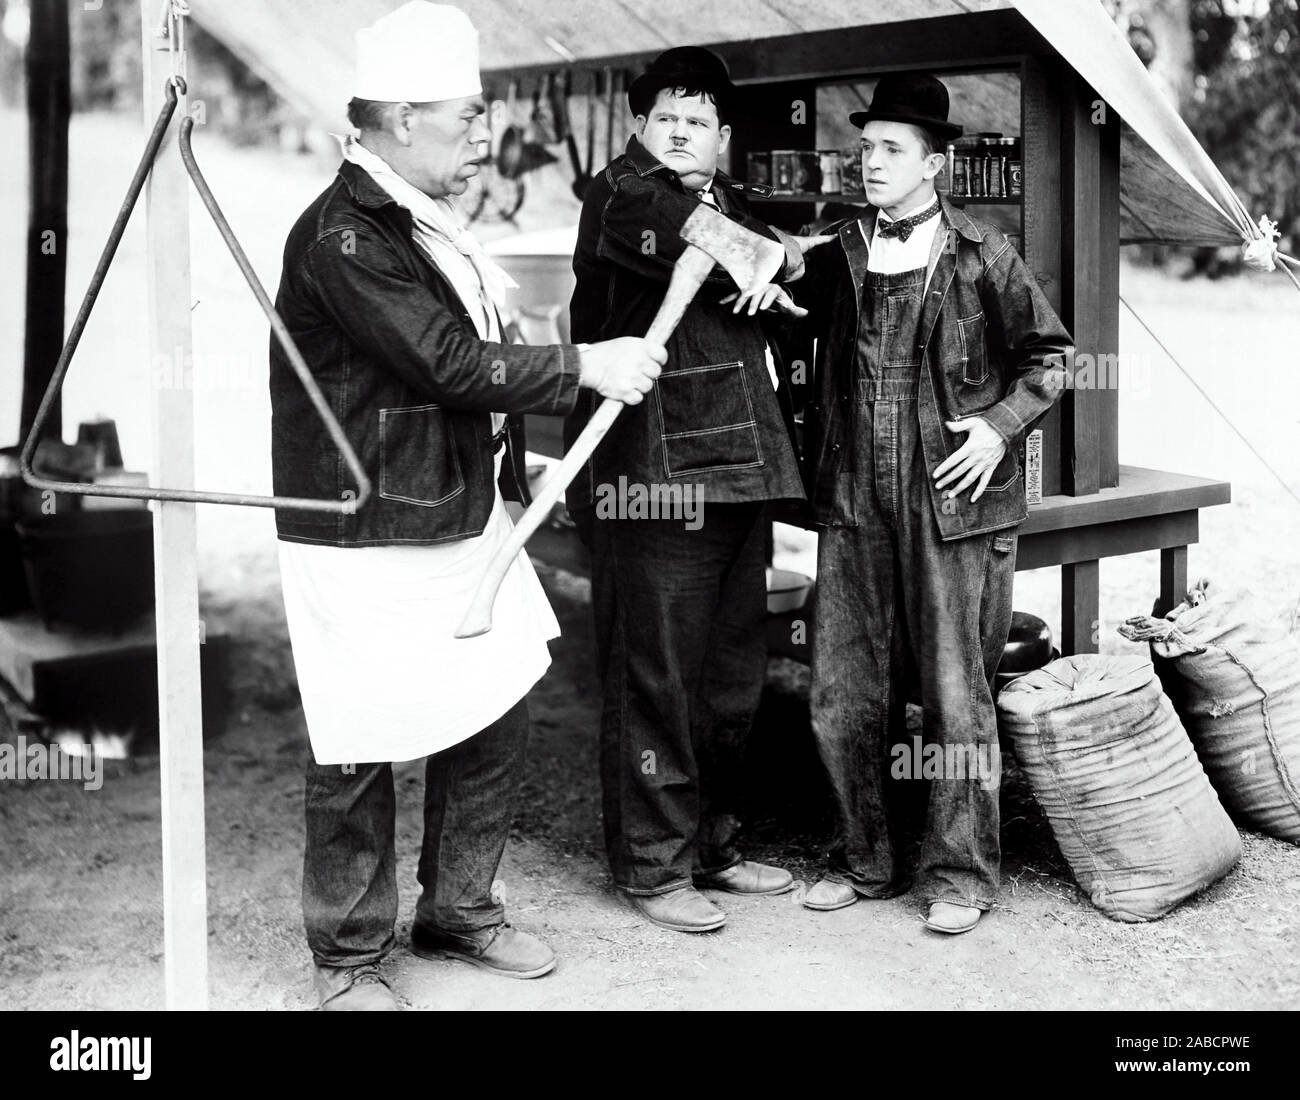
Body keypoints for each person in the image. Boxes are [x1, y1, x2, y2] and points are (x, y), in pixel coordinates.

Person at [270, 2, 664, 1010]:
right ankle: (349, 953)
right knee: (359, 739)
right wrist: (588, 361)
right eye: (468, 116)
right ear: (400, 119)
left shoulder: (426, 222)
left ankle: (460, 907)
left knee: (490, 708)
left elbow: (466, 359)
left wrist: (511, 469)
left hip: (451, 510)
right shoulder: (345, 237)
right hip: (362, 522)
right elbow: (448, 361)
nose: (485, 134)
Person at [789, 72, 1073, 934]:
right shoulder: (837, 249)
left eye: (890, 149)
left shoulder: (984, 253)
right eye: (864, 146)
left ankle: (959, 874)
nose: (868, 161)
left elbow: (1052, 359)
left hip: (955, 499)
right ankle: (865, 858)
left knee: (955, 693)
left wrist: (996, 428)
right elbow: (788, 323)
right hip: (854, 495)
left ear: (935, 165)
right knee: (842, 688)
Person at [567, 46, 826, 933]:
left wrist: (775, 261)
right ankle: (651, 867)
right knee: (657, 675)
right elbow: (748, 252)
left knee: (728, 674)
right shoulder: (621, 196)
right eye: (665, 118)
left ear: (723, 138)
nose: (680, 132)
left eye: (699, 122)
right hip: (655, 475)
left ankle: (714, 844)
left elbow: (791, 265)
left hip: (742, 469)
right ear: (640, 127)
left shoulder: (728, 200)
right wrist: (771, 260)